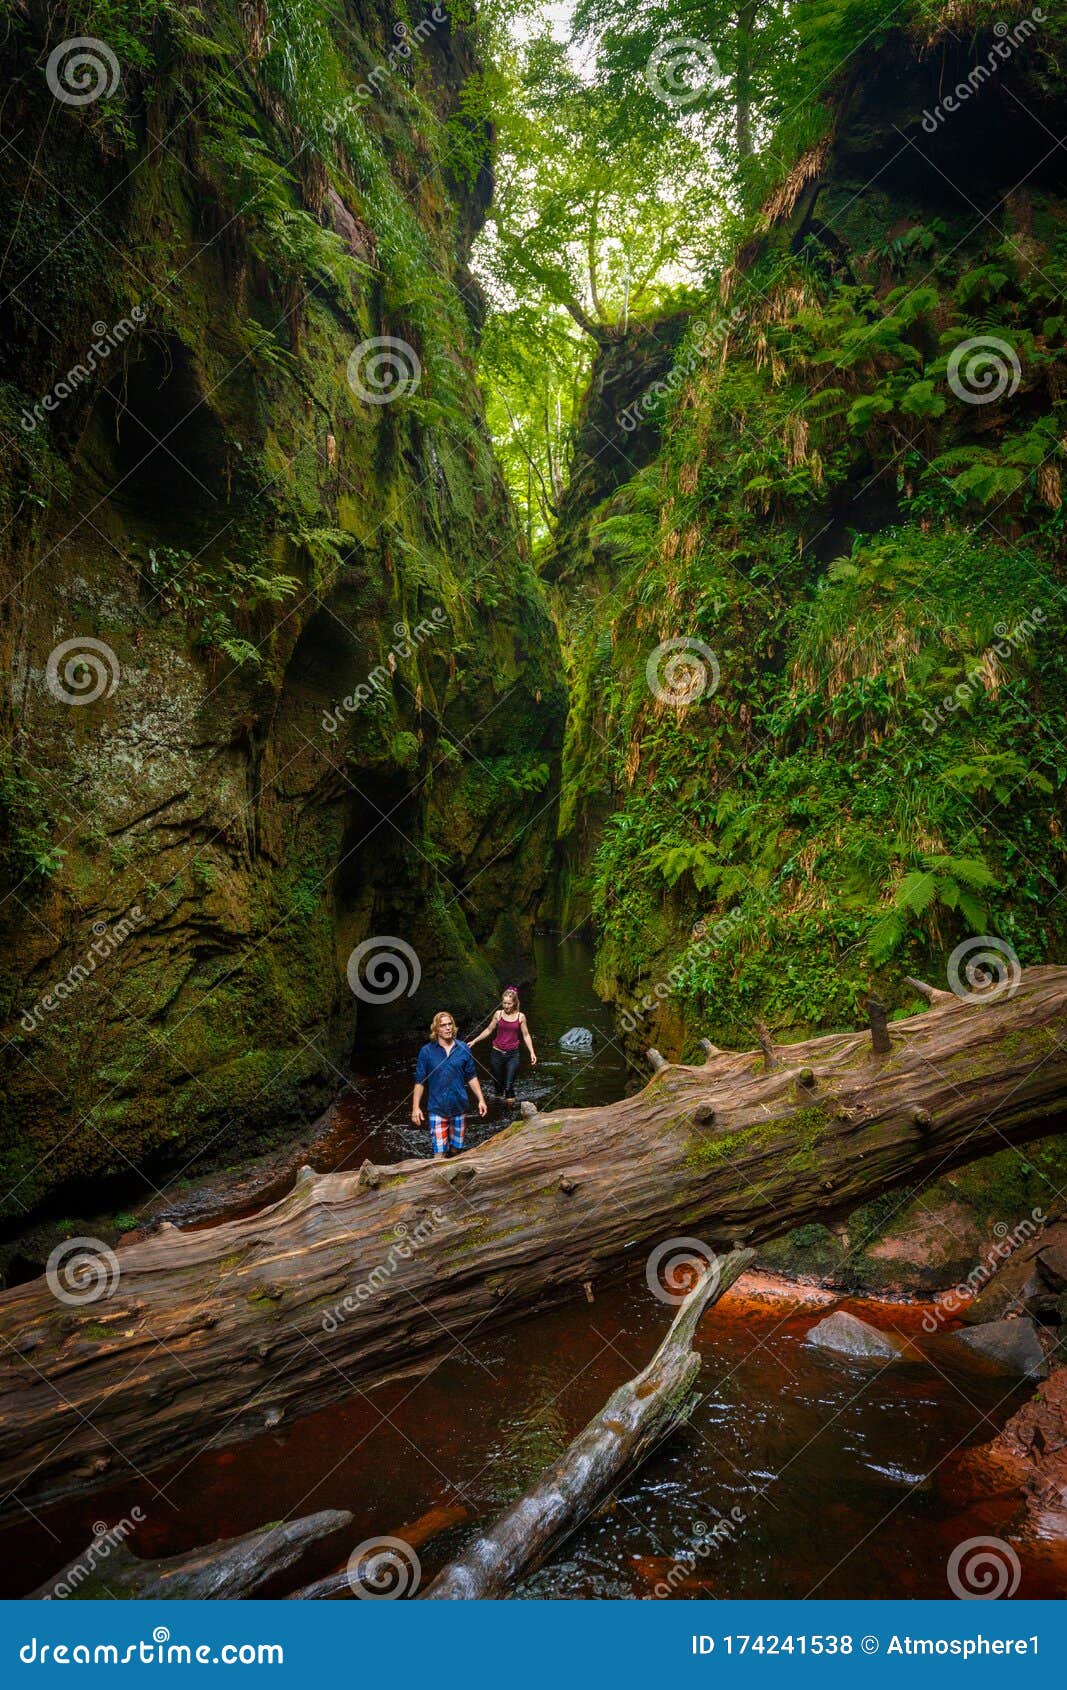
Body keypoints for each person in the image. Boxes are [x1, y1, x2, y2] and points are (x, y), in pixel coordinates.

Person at [412, 1010, 487, 1158]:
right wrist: (415, 1107)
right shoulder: (426, 1052)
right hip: (437, 1108)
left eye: (449, 1024)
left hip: (459, 1106)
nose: (447, 1028)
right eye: (443, 1025)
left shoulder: (464, 1048)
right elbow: (420, 1082)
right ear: (436, 1029)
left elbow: (472, 1077)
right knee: (439, 1155)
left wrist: (481, 1099)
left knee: (455, 1151)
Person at [468, 986, 537, 1104]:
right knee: (498, 1086)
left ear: (514, 1003)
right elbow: (489, 1030)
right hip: (496, 1054)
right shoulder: (498, 1014)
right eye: (504, 1003)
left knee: (509, 1086)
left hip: (513, 1055)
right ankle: (499, 1108)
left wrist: (532, 1052)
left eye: (509, 1003)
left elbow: (526, 1035)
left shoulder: (521, 1017)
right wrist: (475, 1041)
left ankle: (510, 1113)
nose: (506, 1006)